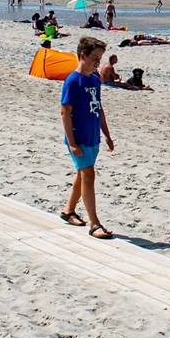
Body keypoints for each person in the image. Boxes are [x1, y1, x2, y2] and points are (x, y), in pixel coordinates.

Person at [59, 36, 116, 239]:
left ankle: (68, 211)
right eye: (94, 58)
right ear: (82, 56)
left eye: (100, 59)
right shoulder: (73, 81)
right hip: (79, 138)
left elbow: (99, 109)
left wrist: (107, 135)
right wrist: (72, 142)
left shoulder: (94, 80)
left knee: (81, 174)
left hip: (93, 137)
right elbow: (65, 112)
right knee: (89, 175)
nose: (97, 63)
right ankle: (94, 223)